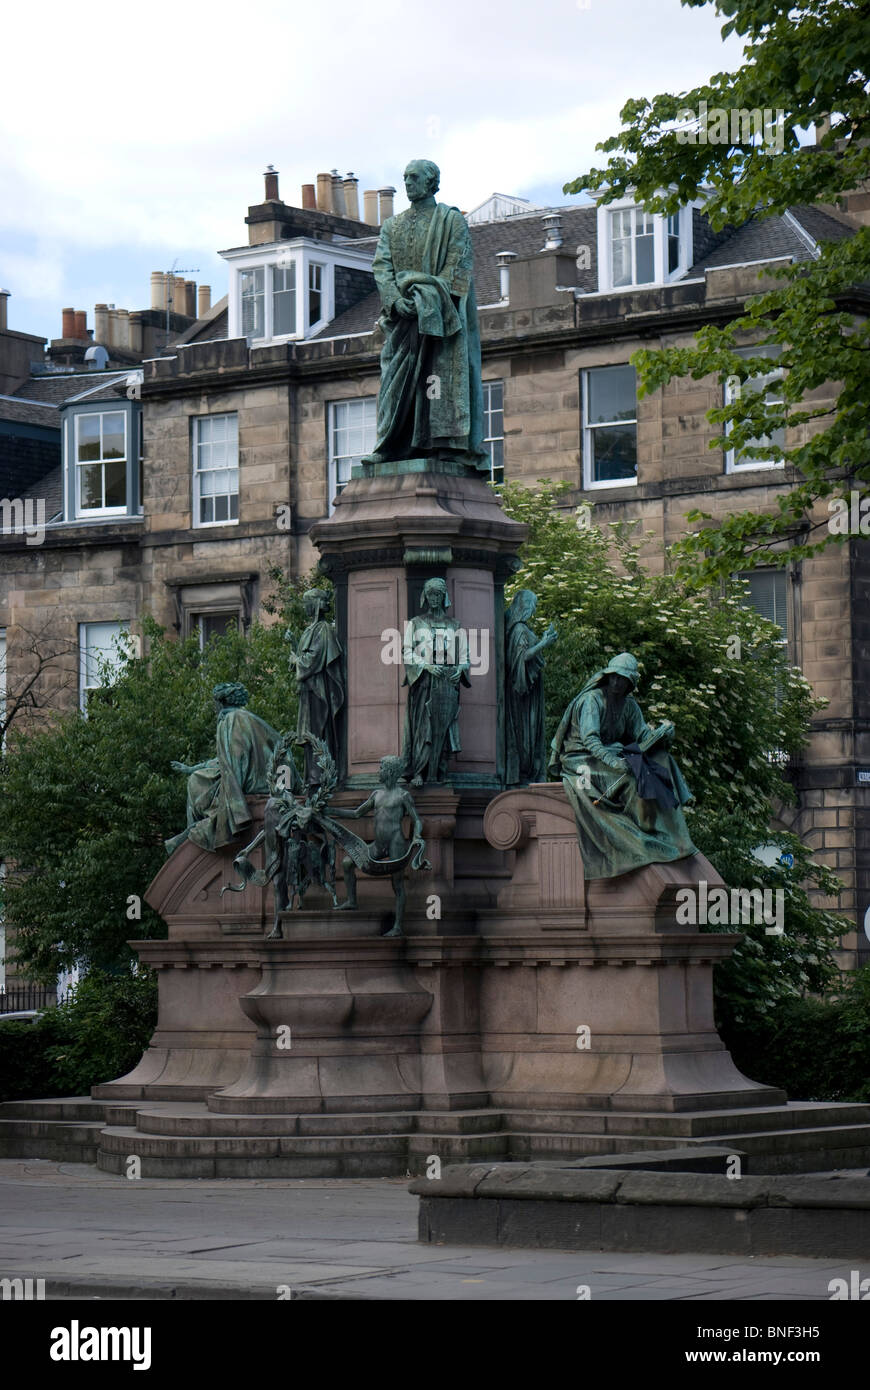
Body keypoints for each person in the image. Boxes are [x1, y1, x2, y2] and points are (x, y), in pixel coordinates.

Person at [362, 159, 488, 470]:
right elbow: (382, 267)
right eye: (404, 177)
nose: (407, 183)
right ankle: (391, 445)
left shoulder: (451, 220)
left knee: (438, 383)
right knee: (395, 380)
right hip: (402, 320)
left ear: (431, 182)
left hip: (441, 319)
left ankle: (441, 447)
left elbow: (457, 266)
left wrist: (426, 295)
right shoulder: (392, 226)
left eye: (414, 177)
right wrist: (394, 299)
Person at [548, 652, 696, 879]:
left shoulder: (629, 706)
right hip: (581, 758)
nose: (617, 682)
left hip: (612, 753)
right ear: (608, 676)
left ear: (630, 683)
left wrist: (663, 734)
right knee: (631, 777)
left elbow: (644, 736)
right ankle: (644, 829)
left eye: (623, 678)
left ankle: (668, 830)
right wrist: (615, 763)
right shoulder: (592, 700)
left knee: (659, 761)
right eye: (614, 676)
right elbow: (590, 740)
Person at [165, 682, 291, 854]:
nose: (214, 708)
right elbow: (224, 759)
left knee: (195, 782)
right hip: (272, 781)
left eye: (214, 703)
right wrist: (191, 768)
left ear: (221, 702)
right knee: (197, 776)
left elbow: (234, 761)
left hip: (252, 782)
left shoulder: (229, 721)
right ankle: (193, 831)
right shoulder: (251, 719)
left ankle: (194, 833)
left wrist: (232, 799)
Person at [328, 755, 428, 937]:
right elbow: (356, 814)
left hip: (396, 843)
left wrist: (417, 835)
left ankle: (398, 926)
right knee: (348, 863)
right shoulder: (376, 794)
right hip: (378, 844)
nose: (378, 772)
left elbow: (416, 820)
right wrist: (331, 811)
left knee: (397, 884)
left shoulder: (403, 795)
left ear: (390, 771)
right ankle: (352, 900)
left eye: (381, 768)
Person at [402, 577, 470, 786]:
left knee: (445, 728)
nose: (433, 598)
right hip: (424, 684)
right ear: (425, 596)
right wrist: (426, 666)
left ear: (444, 597)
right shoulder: (415, 623)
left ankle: (440, 770)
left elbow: (465, 657)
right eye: (429, 594)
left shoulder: (454, 625)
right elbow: (406, 652)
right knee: (423, 729)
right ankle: (419, 771)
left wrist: (460, 669)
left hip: (447, 685)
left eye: (437, 594)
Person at [285, 588, 344, 786]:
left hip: (318, 692)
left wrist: (296, 659)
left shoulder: (323, 628)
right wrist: (294, 647)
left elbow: (313, 659)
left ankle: (320, 776)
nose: (305, 606)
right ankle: (312, 777)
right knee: (309, 735)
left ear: (317, 604)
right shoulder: (310, 629)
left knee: (317, 732)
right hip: (307, 692)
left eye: (307, 602)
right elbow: (305, 657)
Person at [505, 589, 557, 784]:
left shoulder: (521, 628)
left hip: (530, 691)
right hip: (523, 692)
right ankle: (524, 774)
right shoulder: (518, 629)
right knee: (525, 735)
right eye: (532, 605)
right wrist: (544, 643)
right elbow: (521, 657)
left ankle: (528, 773)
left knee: (531, 735)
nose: (534, 610)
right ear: (524, 606)